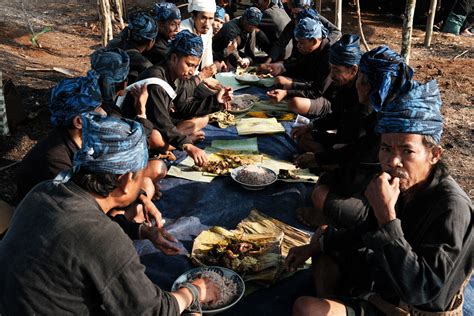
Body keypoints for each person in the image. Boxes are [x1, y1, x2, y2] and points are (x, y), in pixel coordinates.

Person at [286, 80, 473, 315]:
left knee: (305, 309)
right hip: (382, 277)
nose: (393, 162)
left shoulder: (452, 208)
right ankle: (339, 302)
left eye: (407, 151)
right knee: (323, 237)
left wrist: (387, 218)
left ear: (434, 155)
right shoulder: (403, 185)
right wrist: (316, 247)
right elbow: (367, 229)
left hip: (410, 307)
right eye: (386, 149)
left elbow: (420, 291)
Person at [1, 113, 219, 314]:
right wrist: (194, 291)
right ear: (125, 180)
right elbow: (154, 310)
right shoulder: (104, 238)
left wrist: (143, 231)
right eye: (141, 172)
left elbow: (87, 224)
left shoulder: (46, 189)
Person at [297, 46, 415, 229]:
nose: (358, 83)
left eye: (360, 78)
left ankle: (332, 223)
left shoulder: (385, 124)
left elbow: (358, 162)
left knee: (320, 191)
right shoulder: (381, 111)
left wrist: (324, 164)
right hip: (365, 174)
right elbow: (359, 149)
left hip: (384, 208)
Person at [121, 30, 232, 167]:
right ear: (174, 58)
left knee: (203, 118)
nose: (192, 71)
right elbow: (162, 123)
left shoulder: (178, 76)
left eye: (195, 66)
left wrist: (216, 101)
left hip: (163, 121)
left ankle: (173, 142)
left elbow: (183, 108)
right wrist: (187, 145)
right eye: (189, 64)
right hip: (139, 127)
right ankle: (174, 143)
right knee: (156, 138)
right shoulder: (156, 82)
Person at [91, 47, 169, 190]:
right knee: (156, 171)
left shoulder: (88, 97)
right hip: (101, 179)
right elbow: (135, 145)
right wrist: (141, 111)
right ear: (123, 83)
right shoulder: (107, 114)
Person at [291, 34, 367, 166]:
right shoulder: (343, 85)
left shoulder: (364, 93)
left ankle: (330, 165)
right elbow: (336, 117)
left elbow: (360, 143)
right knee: (304, 138)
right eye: (331, 68)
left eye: (336, 70)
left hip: (353, 147)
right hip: (342, 137)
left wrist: (320, 158)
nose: (332, 75)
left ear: (354, 70)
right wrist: (311, 126)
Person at [266, 17, 331, 116]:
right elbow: (300, 68)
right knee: (279, 80)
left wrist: (287, 93)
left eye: (301, 43)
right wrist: (282, 67)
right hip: (310, 85)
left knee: (295, 103)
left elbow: (316, 92)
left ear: (313, 41)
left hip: (326, 97)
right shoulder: (311, 49)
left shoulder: (328, 57)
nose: (298, 46)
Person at [265, 2, 341, 63]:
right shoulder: (293, 23)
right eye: (293, 14)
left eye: (298, 14)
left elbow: (336, 31)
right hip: (299, 58)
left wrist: (323, 43)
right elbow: (280, 43)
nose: (295, 17)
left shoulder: (315, 18)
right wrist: (268, 61)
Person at [180, 0, 218, 77]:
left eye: (211, 19)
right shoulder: (183, 30)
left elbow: (207, 57)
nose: (207, 24)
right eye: (203, 18)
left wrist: (210, 72)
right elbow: (184, 69)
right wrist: (202, 76)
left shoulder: (208, 29)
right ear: (193, 16)